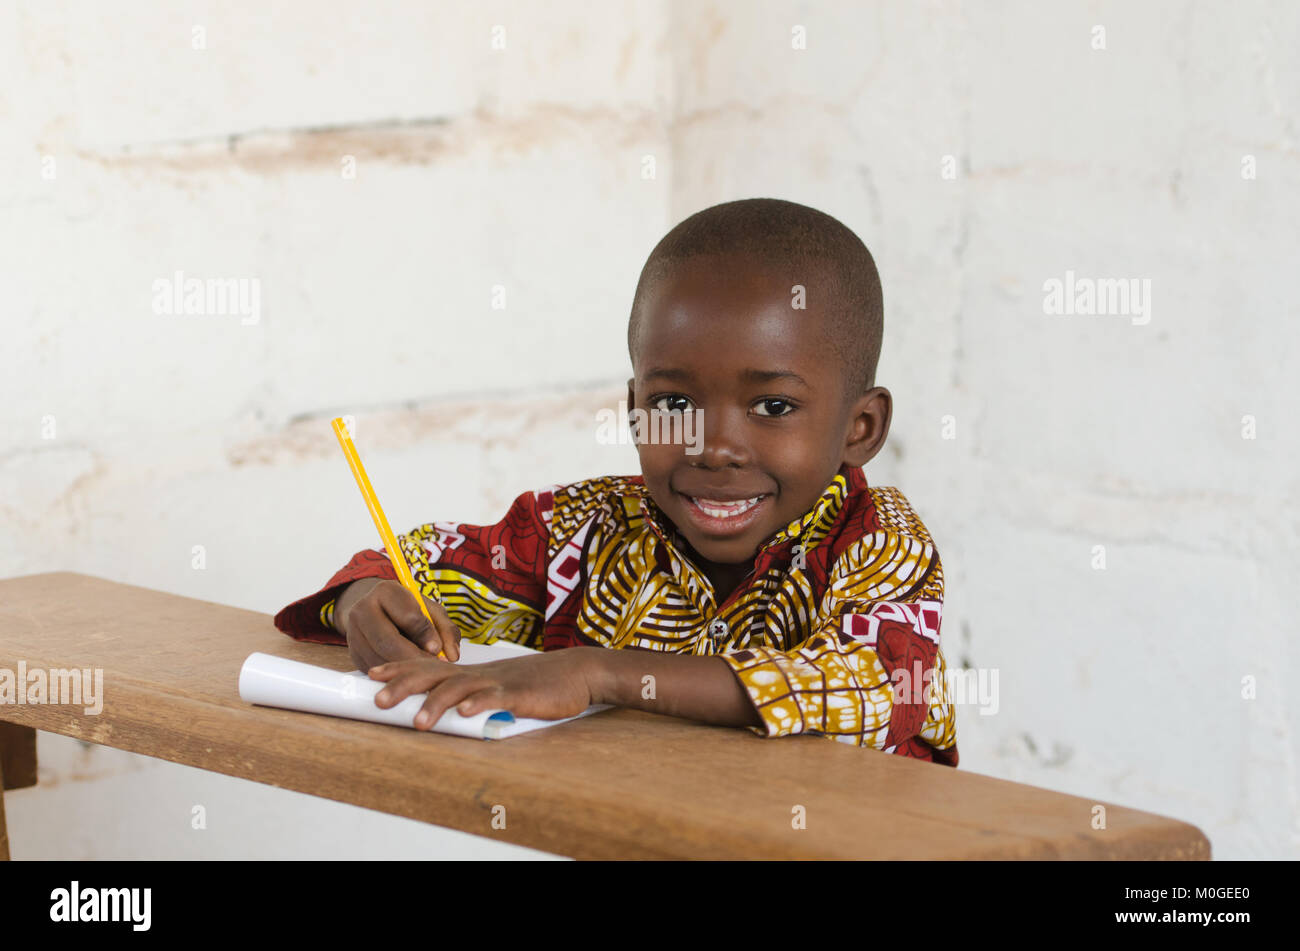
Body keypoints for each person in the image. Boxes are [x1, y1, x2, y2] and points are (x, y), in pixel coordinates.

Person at [274, 197, 958, 765]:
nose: (712, 447)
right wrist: (367, 598)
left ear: (860, 428)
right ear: (635, 412)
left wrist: (594, 671)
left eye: (772, 407)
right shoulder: (583, 531)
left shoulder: (879, 546)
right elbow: (419, 564)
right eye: (672, 404)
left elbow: (874, 688)